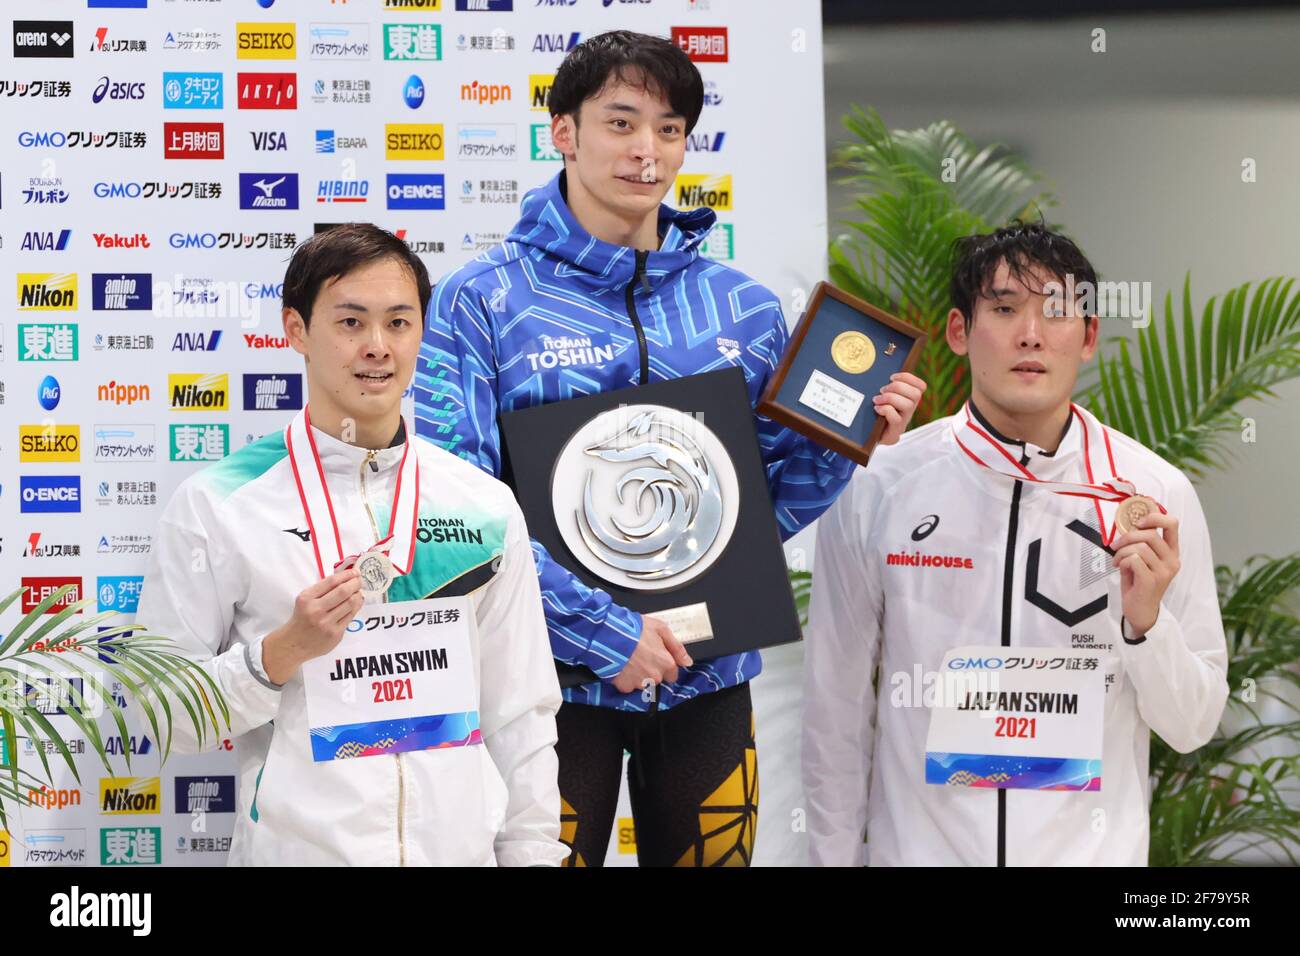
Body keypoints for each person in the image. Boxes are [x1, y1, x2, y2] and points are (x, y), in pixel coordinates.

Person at [415, 30, 924, 866]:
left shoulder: (744, 308)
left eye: (669, 128)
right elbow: (460, 513)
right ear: (564, 132)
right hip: (546, 682)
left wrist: (847, 442)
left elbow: (762, 506)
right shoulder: (485, 301)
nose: (646, 152)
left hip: (708, 679)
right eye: (620, 123)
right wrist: (604, 636)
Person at [136, 224, 566, 866]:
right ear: (296, 330)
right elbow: (157, 714)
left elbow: (520, 712)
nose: (377, 347)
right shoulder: (219, 504)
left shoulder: (482, 503)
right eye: (350, 322)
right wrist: (277, 656)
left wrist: (532, 856)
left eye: (399, 322)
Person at [802, 222, 1229, 866]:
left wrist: (1146, 626)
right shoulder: (881, 485)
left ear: (1088, 336)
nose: (1030, 334)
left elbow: (1193, 724)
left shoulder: (1152, 494)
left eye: (1056, 313)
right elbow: (835, 706)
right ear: (957, 331)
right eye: (1003, 309)